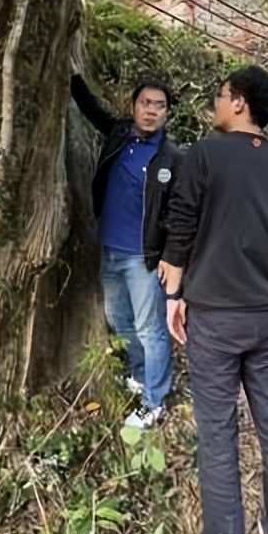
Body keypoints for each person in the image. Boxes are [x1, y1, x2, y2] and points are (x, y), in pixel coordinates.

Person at [159, 66, 268, 534]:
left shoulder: (204, 154)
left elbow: (182, 223)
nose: (216, 104)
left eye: (221, 96)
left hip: (216, 318)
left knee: (219, 435)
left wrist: (174, 294)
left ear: (239, 102)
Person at [70, 69, 178, 429]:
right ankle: (139, 372)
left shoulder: (171, 157)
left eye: (159, 106)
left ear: (166, 113)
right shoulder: (118, 133)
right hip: (109, 248)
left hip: (143, 257)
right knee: (119, 319)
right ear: (133, 106)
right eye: (145, 103)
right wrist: (72, 76)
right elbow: (90, 108)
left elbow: (178, 213)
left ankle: (155, 400)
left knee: (151, 328)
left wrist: (169, 257)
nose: (151, 111)